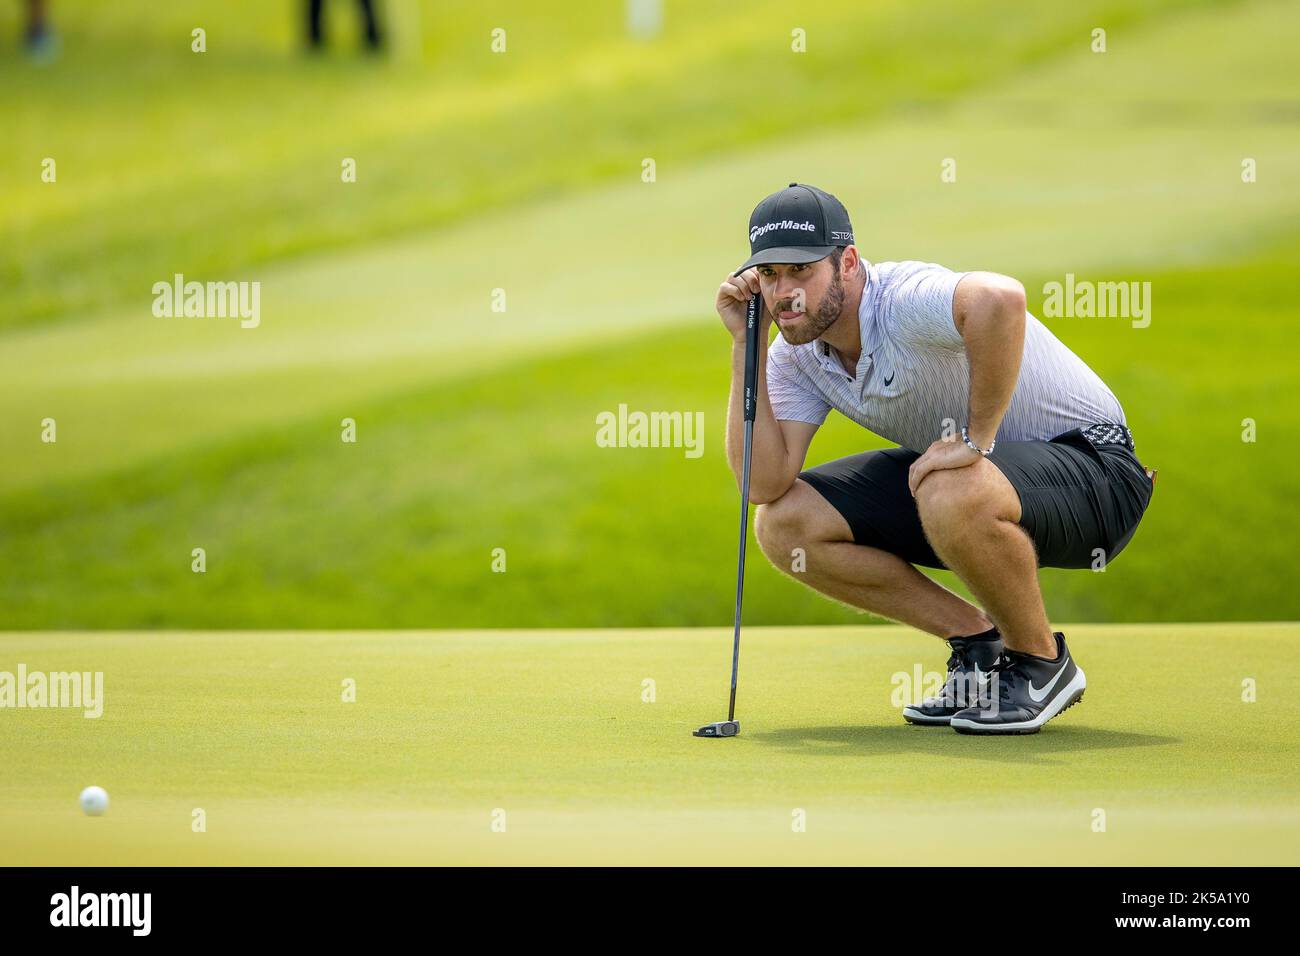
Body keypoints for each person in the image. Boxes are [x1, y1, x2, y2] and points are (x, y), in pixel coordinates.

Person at [714, 183, 1154, 734]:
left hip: (1098, 472)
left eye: (801, 271)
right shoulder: (795, 355)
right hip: (980, 493)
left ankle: (1042, 663)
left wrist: (975, 439)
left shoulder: (901, 299)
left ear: (847, 263)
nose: (785, 294)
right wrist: (745, 348)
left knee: (950, 485)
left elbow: (1001, 299)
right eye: (771, 275)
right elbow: (763, 482)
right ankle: (980, 646)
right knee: (784, 524)